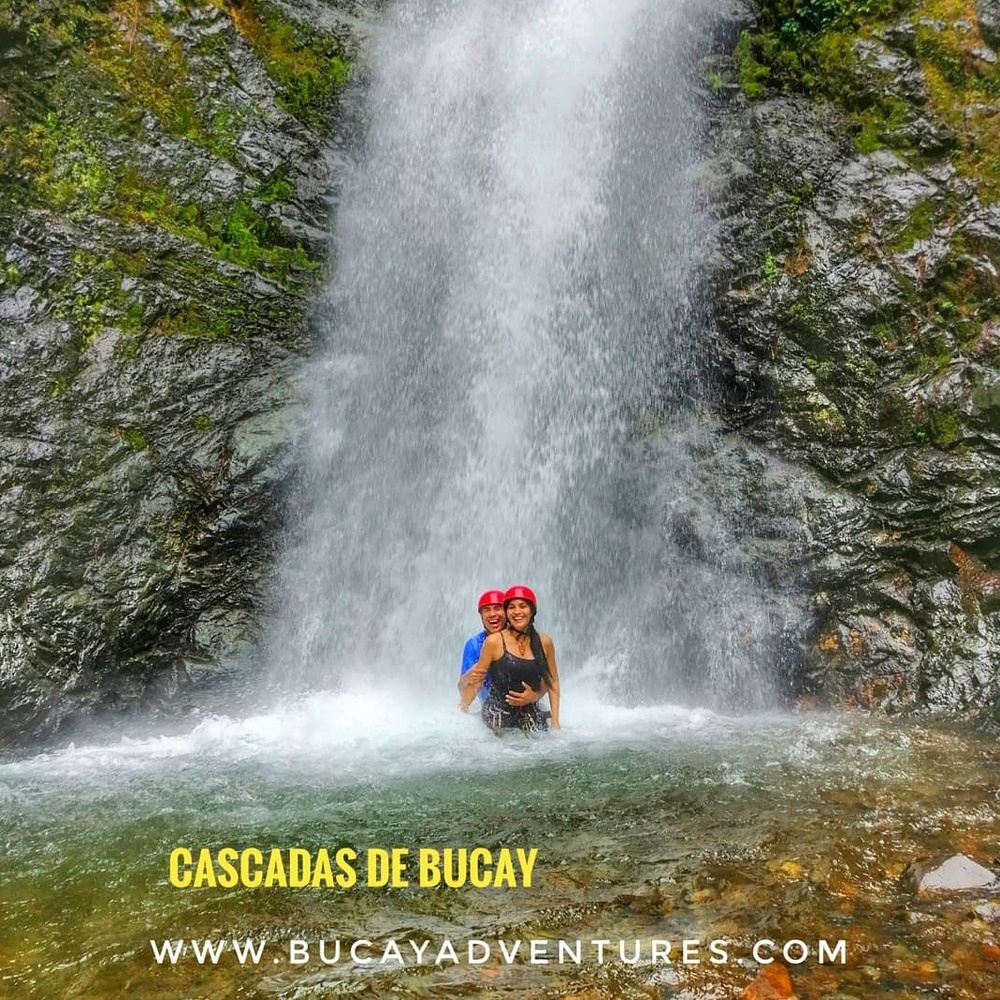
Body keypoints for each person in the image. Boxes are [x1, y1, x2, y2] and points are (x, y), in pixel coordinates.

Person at [459, 585, 560, 733]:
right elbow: (472, 683)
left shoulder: (543, 641)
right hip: (495, 707)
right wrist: (461, 714)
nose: (517, 611)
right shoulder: (481, 644)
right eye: (487, 610)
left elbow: (551, 680)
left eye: (522, 606)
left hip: (528, 706)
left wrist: (537, 698)